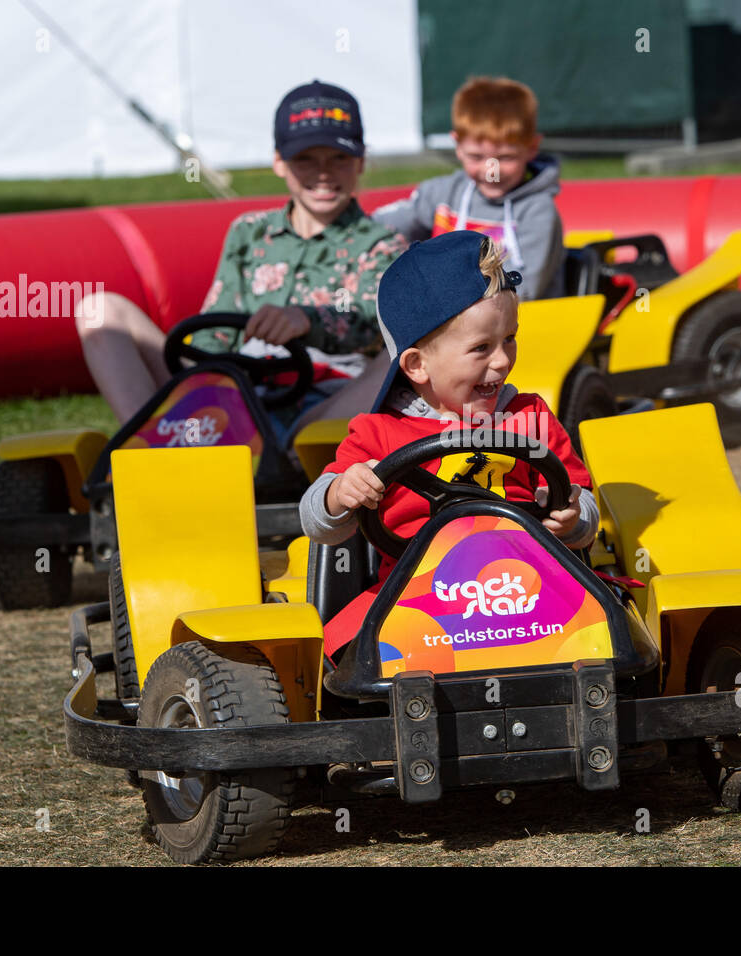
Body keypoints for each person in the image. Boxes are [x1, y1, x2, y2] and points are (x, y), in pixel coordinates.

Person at [299, 231, 599, 656]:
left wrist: (572, 517)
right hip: (411, 599)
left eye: (509, 339)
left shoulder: (529, 418)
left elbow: (581, 503)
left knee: (612, 635)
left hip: (528, 592)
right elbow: (317, 522)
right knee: (339, 659)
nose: (502, 361)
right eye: (481, 348)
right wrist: (338, 493)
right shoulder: (378, 433)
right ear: (417, 365)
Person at [76, 80, 407, 432]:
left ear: (360, 162)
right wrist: (206, 372)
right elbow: (217, 323)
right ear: (279, 163)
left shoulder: (383, 244)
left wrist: (307, 320)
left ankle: (296, 454)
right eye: (305, 159)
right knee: (99, 310)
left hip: (326, 397)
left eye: (339, 159)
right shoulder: (249, 232)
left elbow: (374, 325)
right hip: (235, 386)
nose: (323, 173)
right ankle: (146, 444)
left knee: (401, 353)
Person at [372, 76, 565, 300]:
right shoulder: (442, 193)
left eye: (505, 157)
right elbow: (378, 228)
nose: (491, 171)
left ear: (532, 147)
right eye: (476, 156)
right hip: (447, 317)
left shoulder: (537, 210)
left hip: (514, 325)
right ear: (457, 146)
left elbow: (522, 292)